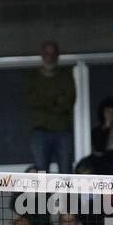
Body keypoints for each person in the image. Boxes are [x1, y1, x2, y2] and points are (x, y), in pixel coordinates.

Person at [26, 40, 76, 173]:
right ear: (42, 55)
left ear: (58, 55)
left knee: (66, 172)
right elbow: (32, 101)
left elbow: (68, 101)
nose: (50, 56)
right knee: (40, 173)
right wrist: (55, 101)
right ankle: (42, 195)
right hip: (40, 131)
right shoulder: (33, 77)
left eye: (53, 53)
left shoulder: (66, 75)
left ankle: (66, 195)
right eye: (47, 53)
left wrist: (45, 102)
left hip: (63, 130)